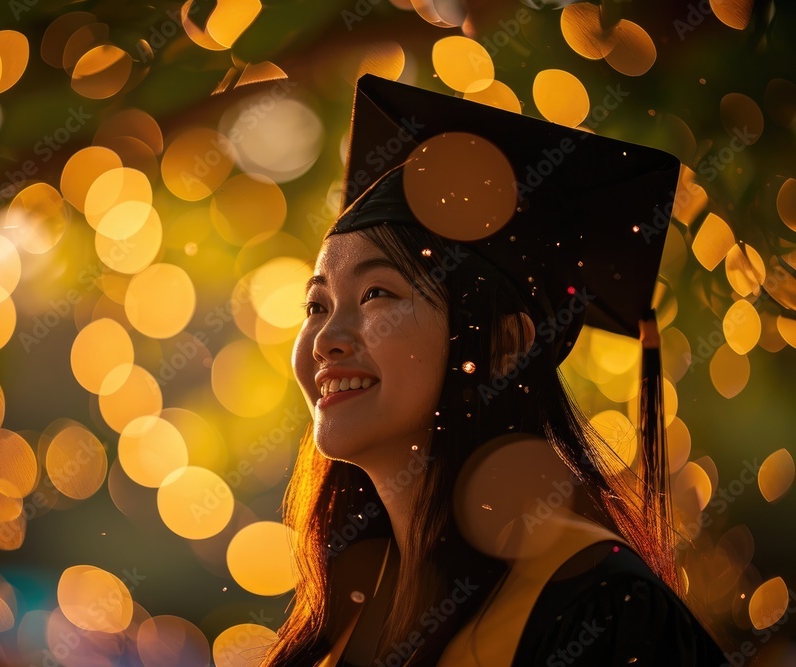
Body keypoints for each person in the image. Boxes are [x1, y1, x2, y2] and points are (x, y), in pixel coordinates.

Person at [258, 75, 729, 666]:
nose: (326, 339)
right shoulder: (345, 620)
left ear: (507, 344)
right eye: (316, 305)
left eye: (377, 293)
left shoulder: (598, 606)